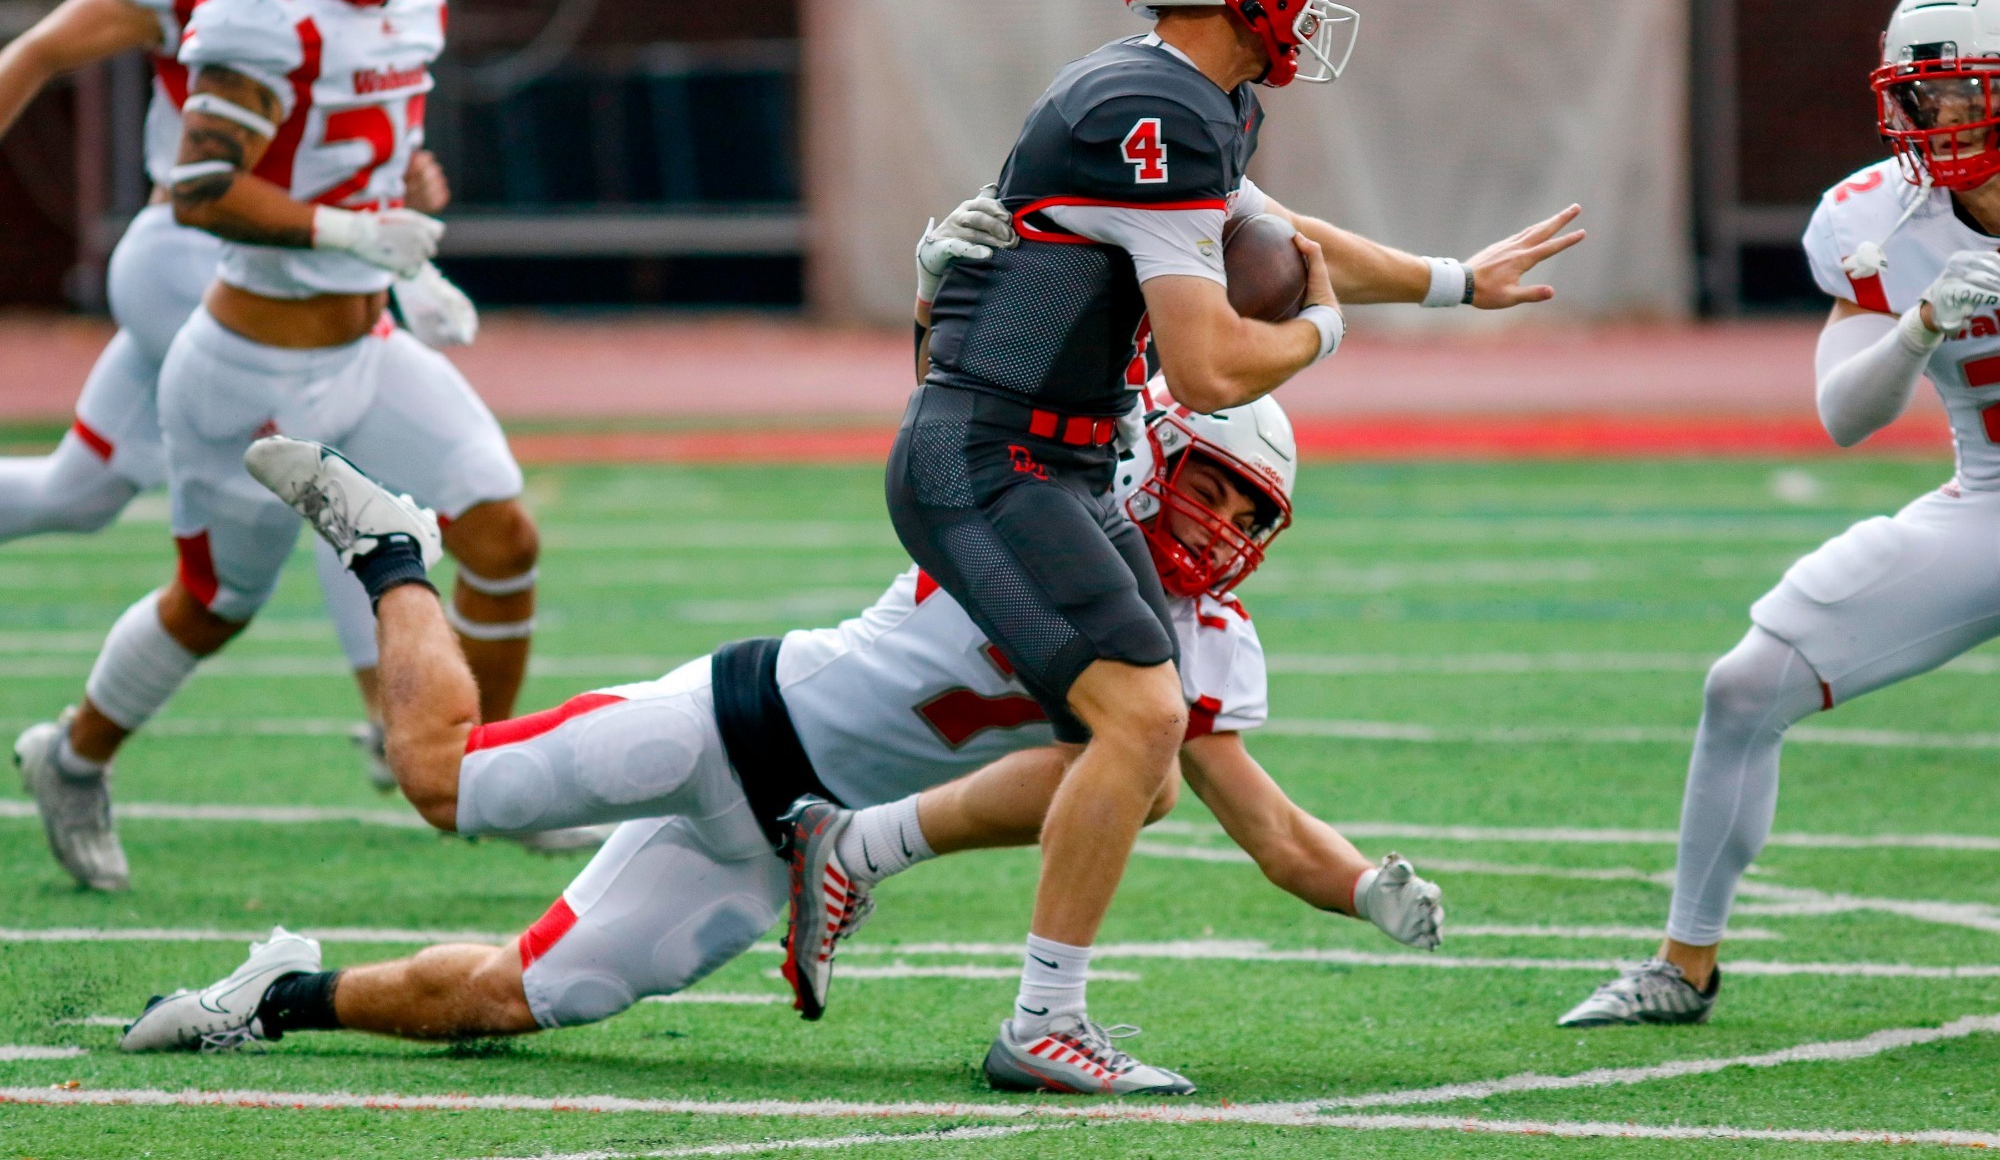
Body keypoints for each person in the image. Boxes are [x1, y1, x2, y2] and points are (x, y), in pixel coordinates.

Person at [117, 396, 1442, 1065]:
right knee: (436, 780)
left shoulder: (1191, 646)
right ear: (1153, 452)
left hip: (769, 845)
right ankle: (394, 551)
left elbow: (1265, 826)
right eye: (1209, 488)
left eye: (1246, 515)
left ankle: (274, 1001)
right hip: (730, 725)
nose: (1218, 530)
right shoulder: (1048, 515)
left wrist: (1370, 885)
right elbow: (974, 410)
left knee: (512, 996)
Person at [889, 0, 1581, 1092]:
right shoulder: (1145, 111)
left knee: (1150, 748)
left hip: (1058, 454)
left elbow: (1278, 235)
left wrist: (1449, 282)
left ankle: (860, 854)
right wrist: (1320, 335)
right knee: (1145, 716)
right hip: (989, 454)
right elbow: (1207, 370)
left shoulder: (1189, 103)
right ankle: (1040, 1018)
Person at [14, 0, 535, 895]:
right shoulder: (258, 5)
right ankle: (72, 754)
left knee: (501, 529)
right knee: (213, 599)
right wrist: (351, 236)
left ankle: (499, 771)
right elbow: (202, 187)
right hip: (250, 356)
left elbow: (371, 153)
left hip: (369, 342)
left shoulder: (413, 1)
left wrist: (409, 229)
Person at [1557, 0, 2000, 1028]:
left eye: (1959, 89)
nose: (1929, 115)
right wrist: (1917, 326)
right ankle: (1682, 962)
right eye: (1919, 90)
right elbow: (1842, 415)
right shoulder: (1879, 218)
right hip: (1987, 497)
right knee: (1746, 684)